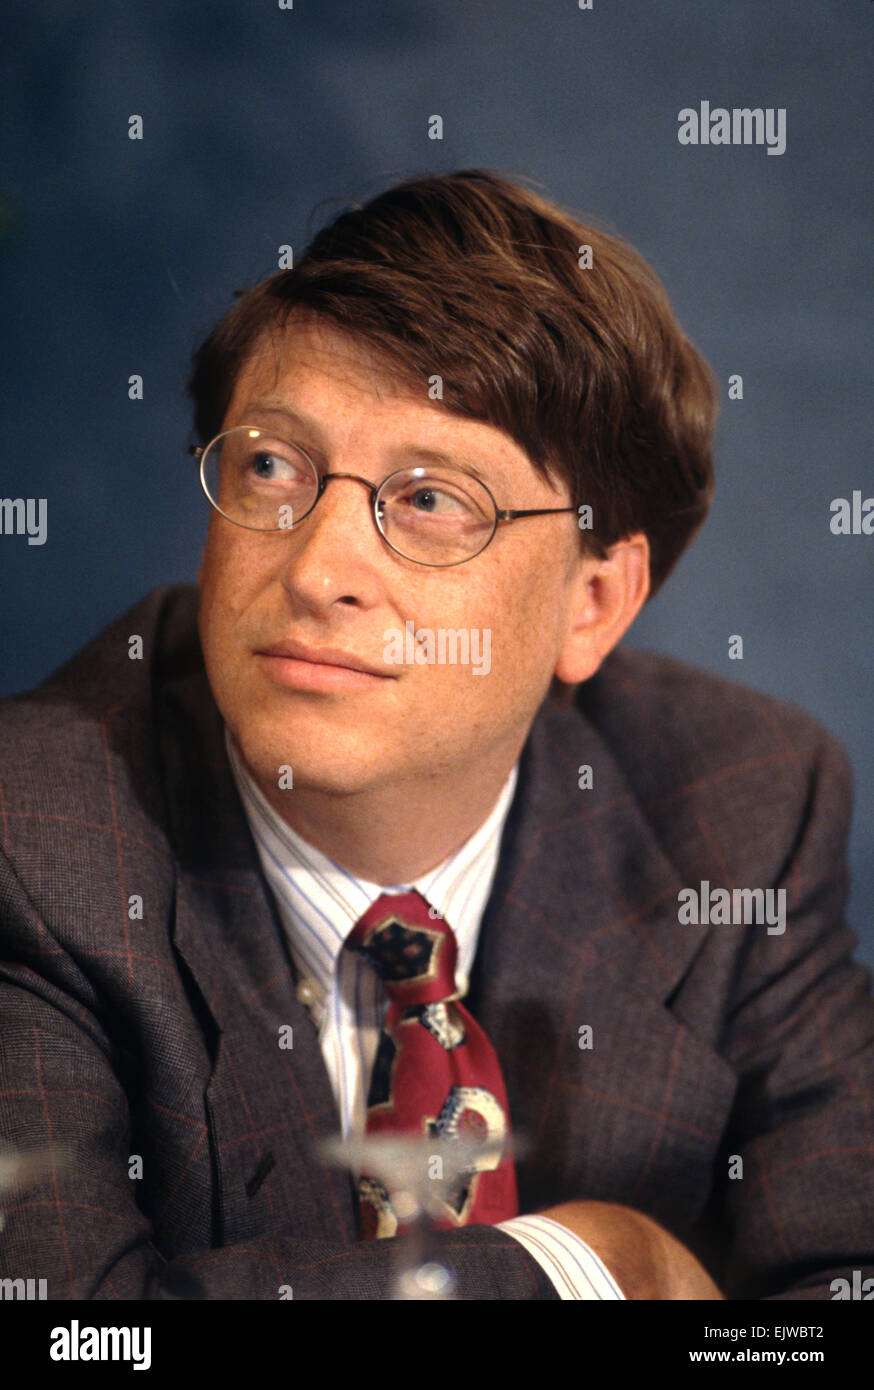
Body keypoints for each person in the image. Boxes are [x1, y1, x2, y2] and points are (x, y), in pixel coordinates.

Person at [1, 169, 871, 1301]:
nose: (316, 571)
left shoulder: (743, 803)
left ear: (591, 604)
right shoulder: (35, 838)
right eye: (272, 467)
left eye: (428, 499)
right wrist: (585, 1268)